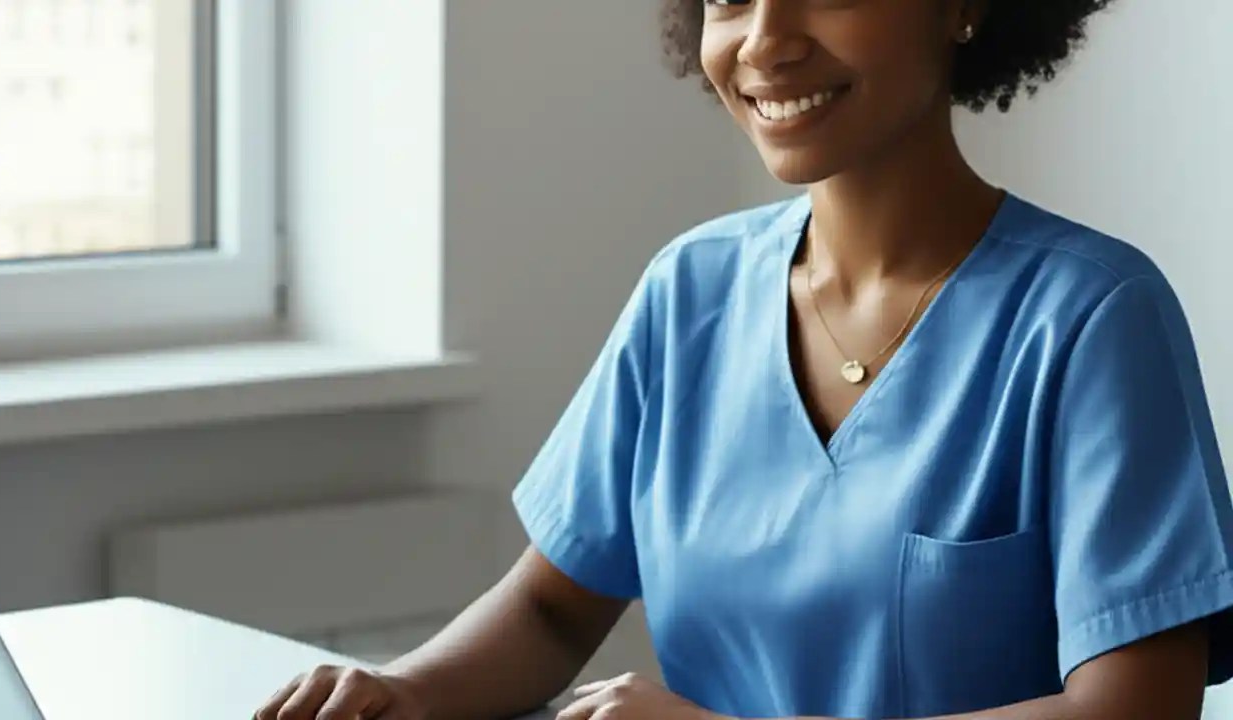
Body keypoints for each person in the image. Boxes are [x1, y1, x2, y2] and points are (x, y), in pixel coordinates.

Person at [256, 0, 1233, 718]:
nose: (765, 40)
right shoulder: (689, 292)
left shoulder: (1091, 319)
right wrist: (403, 691)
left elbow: (1132, 711)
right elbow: (552, 610)